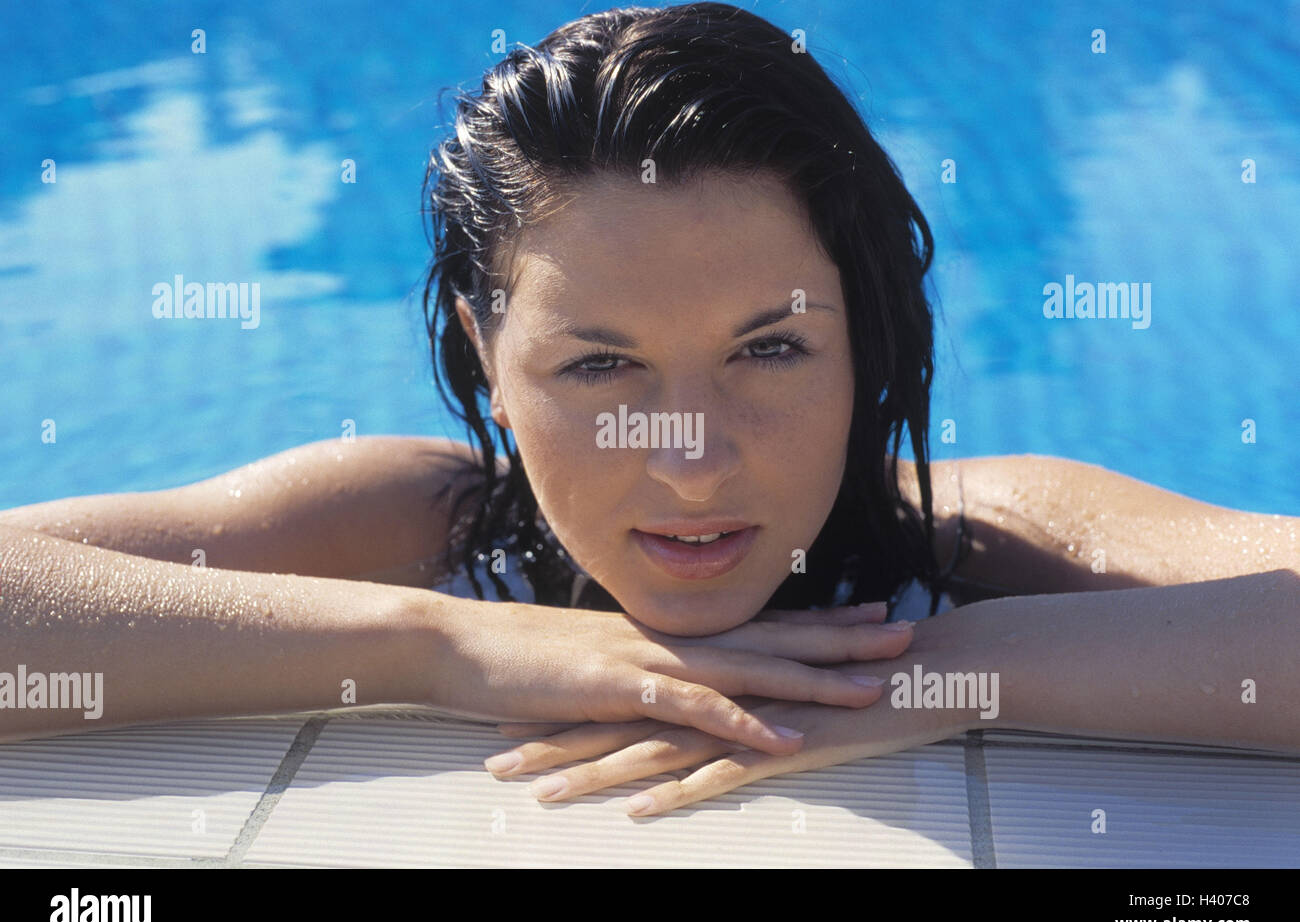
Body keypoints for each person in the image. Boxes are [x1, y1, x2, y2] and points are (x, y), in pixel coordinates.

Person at [2, 3, 1296, 820]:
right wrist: (440, 644)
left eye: (772, 348)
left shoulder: (973, 533)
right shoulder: (416, 523)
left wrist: (942, 674)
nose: (690, 460)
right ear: (485, 357)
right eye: (601, 368)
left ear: (871, 342)